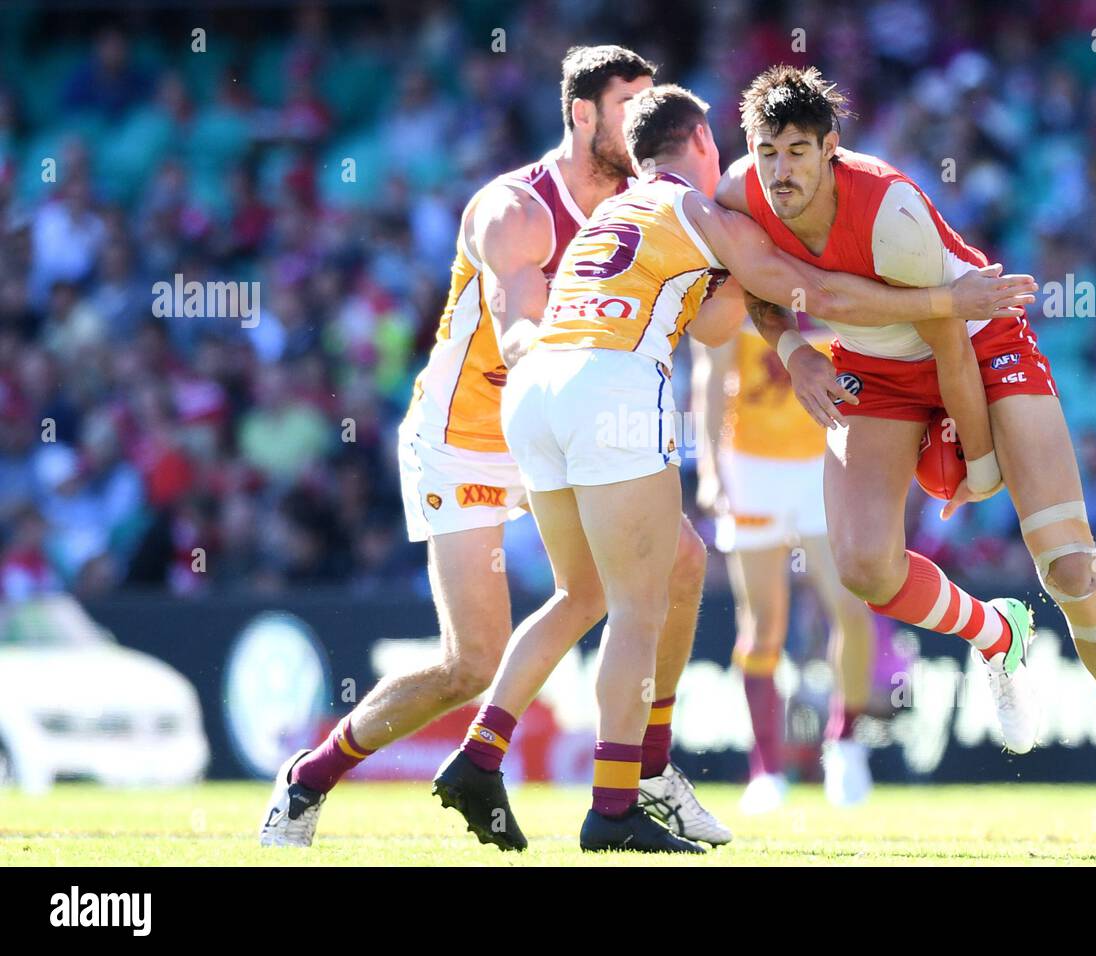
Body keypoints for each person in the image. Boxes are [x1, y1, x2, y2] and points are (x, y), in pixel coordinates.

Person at [432, 84, 1038, 852]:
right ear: (701, 144)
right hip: (610, 389)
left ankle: (482, 753)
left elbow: (720, 314)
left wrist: (782, 341)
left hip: (536, 393)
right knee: (636, 612)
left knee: (576, 593)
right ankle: (616, 807)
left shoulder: (610, 214)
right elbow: (813, 291)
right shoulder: (699, 211)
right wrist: (948, 299)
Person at [260, 46, 728, 849]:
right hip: (469, 435)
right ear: (582, 114)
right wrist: (560, 365)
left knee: (672, 566)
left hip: (561, 424)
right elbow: (517, 323)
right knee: (467, 664)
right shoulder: (514, 207)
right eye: (628, 104)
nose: (644, 120)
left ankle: (647, 770)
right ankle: (309, 779)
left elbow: (701, 320)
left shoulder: (642, 202)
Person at [719, 65, 1096, 858]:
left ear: (832, 149)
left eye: (799, 150)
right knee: (863, 566)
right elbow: (757, 289)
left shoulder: (889, 209)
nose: (781, 169)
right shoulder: (739, 195)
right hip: (873, 366)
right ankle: (994, 632)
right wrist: (793, 350)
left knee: (1068, 568)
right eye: (768, 151)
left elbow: (946, 330)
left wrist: (978, 456)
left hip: (977, 343)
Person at [692, 316, 879, 811]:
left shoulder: (828, 275)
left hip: (824, 460)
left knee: (851, 606)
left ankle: (846, 741)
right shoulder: (738, 279)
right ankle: (766, 769)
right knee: (763, 622)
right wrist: (710, 469)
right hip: (751, 464)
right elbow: (709, 378)